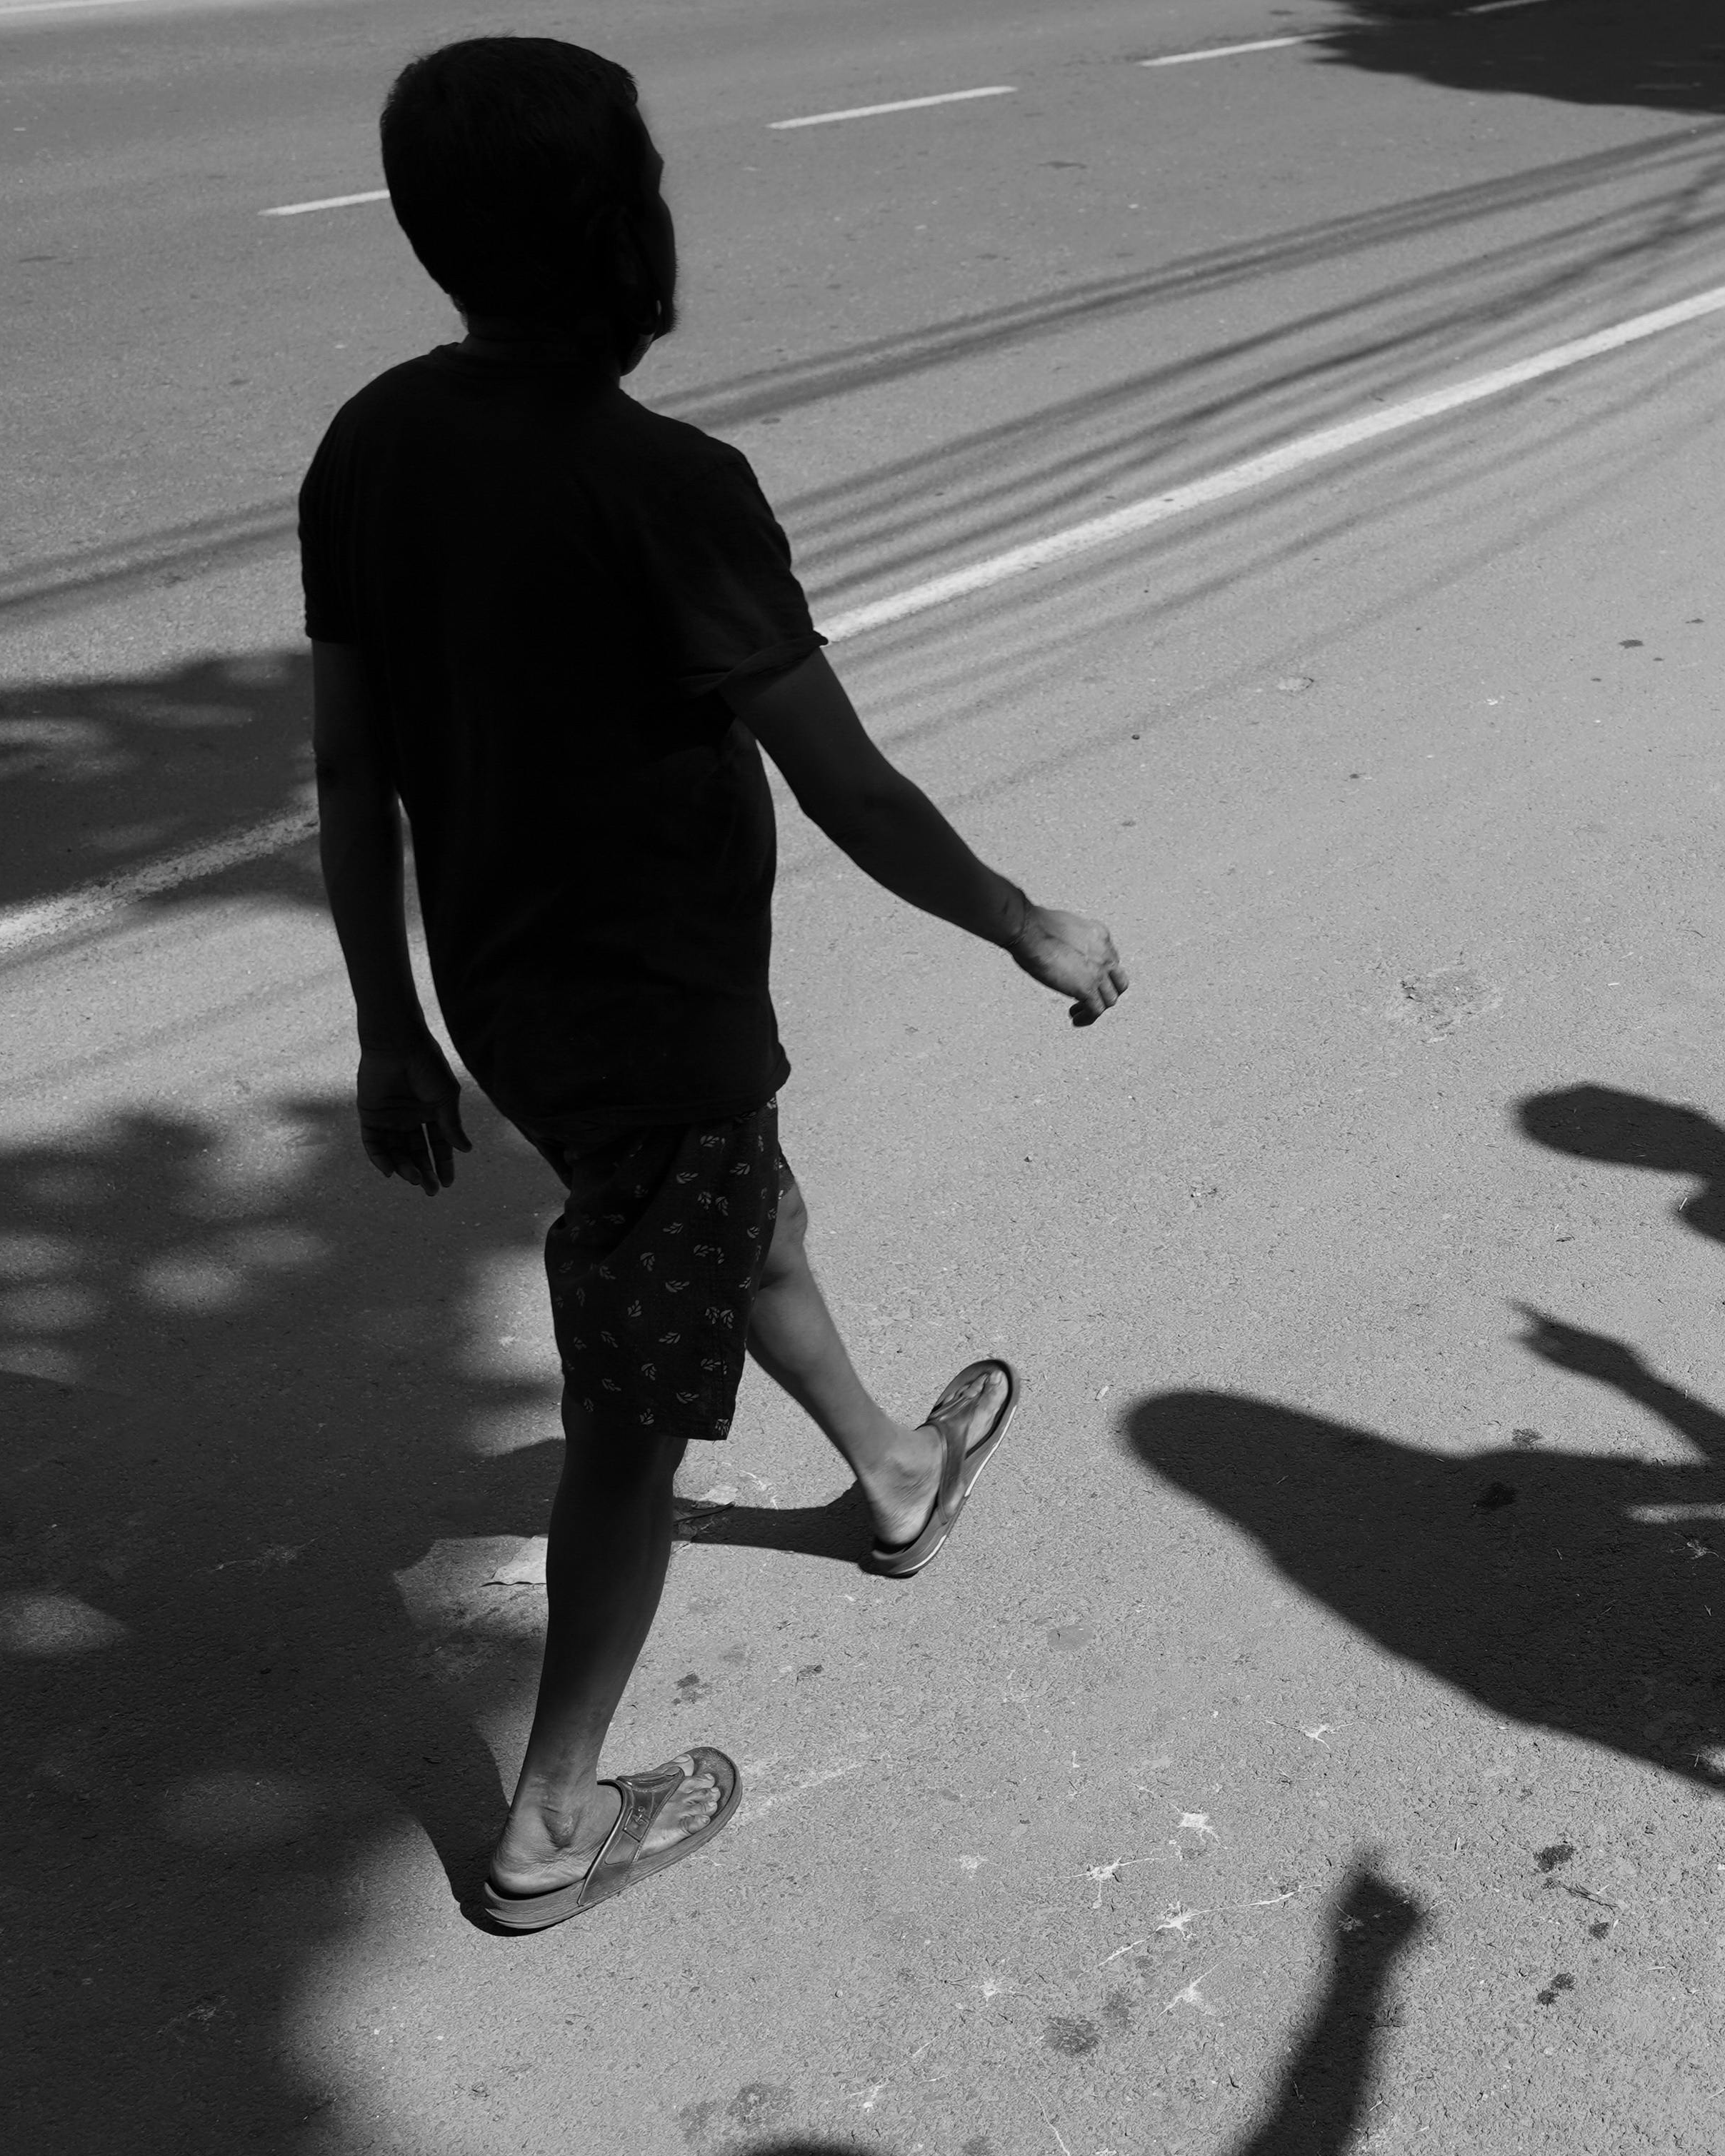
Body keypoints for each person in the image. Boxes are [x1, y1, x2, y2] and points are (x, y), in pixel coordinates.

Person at [300, 35, 1127, 1932]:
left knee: (739, 1219)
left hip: (507, 1000)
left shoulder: (373, 442)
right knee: (631, 1410)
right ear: (624, 231)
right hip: (649, 1016)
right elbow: (845, 782)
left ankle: (899, 1471)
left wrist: (387, 1020)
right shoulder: (661, 485)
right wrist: (1022, 922)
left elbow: (354, 770)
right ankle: (550, 1824)